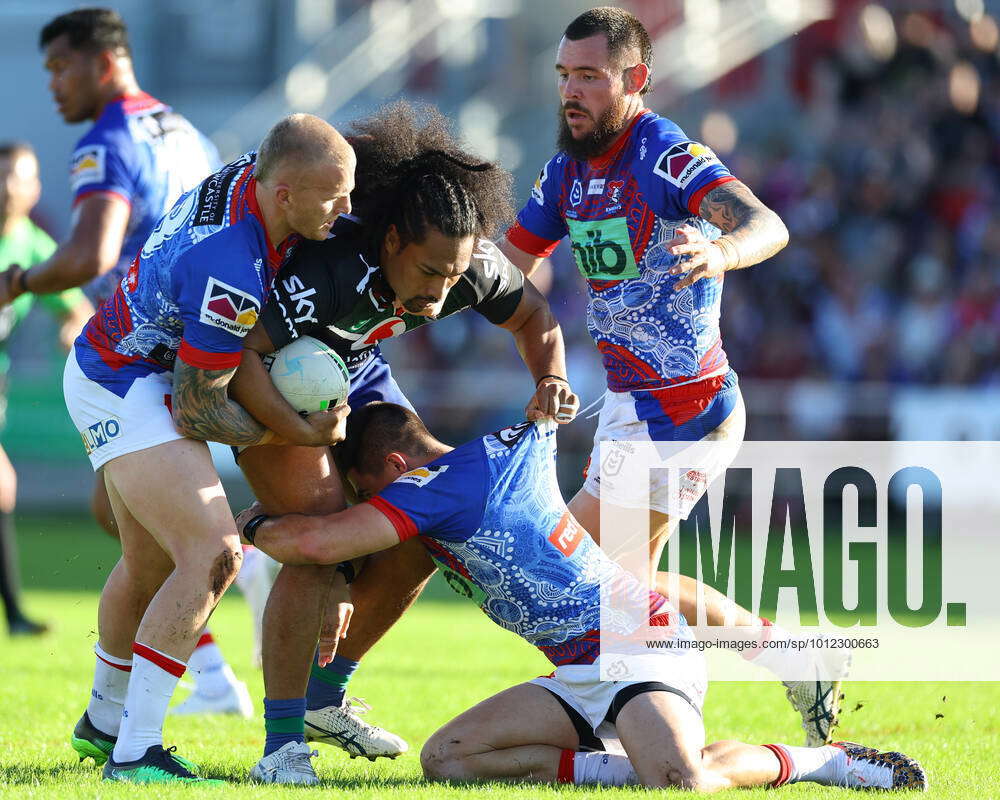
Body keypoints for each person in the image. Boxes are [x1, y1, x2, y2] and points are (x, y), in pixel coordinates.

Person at [236, 402, 928, 793]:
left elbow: (320, 546)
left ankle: (825, 761)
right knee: (446, 758)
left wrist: (248, 523)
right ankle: (619, 764)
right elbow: (547, 401)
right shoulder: (497, 448)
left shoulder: (434, 489)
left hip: (641, 650)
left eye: (367, 490)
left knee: (684, 781)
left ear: (392, 467)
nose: (370, 508)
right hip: (575, 671)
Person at [497, 7, 844, 746]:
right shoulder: (566, 168)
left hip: (688, 411)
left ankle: (643, 708)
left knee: (599, 575)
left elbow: (766, 225)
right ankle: (698, 679)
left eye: (589, 76)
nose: (571, 91)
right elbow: (513, 263)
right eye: (564, 75)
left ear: (636, 80)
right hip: (628, 409)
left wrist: (721, 252)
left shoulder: (661, 153)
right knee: (585, 574)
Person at [226, 101, 580, 784]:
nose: (442, 292)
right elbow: (241, 355)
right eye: (428, 274)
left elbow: (534, 316)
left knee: (427, 515)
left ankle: (325, 700)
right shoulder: (325, 271)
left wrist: (552, 377)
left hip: (358, 378)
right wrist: (300, 431)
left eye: (454, 278)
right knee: (322, 541)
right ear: (389, 243)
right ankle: (279, 748)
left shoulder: (461, 258)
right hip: (270, 384)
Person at [62, 113, 355, 784]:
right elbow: (199, 408)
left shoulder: (260, 175)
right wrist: (295, 432)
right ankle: (136, 755)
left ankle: (104, 724)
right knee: (214, 554)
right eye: (335, 195)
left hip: (121, 366)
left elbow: (300, 152)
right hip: (124, 381)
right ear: (283, 194)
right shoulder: (233, 266)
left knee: (148, 565)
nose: (347, 209)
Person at [1, 8, 253, 713]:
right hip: (202, 344)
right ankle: (200, 680)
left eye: (60, 67)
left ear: (103, 63)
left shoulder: (107, 140)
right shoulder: (186, 132)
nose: (52, 85)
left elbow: (91, 254)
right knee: (125, 522)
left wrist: (18, 281)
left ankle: (145, 709)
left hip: (136, 357)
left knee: (165, 538)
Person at [0, 142, 93, 635]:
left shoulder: (32, 244)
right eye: (1, 176)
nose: (7, 187)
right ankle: (13, 616)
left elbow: (74, 307)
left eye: (17, 177)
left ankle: (13, 617)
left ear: (34, 188)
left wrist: (70, 327)